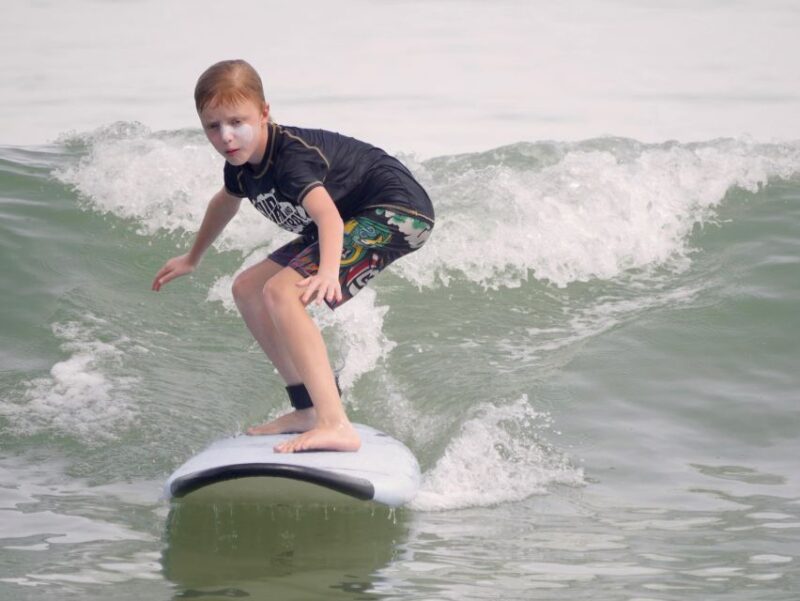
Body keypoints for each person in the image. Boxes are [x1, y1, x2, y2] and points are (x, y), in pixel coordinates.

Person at [151, 59, 434, 453]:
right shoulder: (240, 166)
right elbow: (225, 203)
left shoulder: (290, 161)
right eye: (213, 127)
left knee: (281, 292)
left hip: (398, 211)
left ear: (265, 113)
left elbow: (328, 218)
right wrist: (192, 257)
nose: (226, 137)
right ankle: (308, 409)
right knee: (248, 288)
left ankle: (336, 423)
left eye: (237, 121)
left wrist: (329, 272)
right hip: (351, 215)